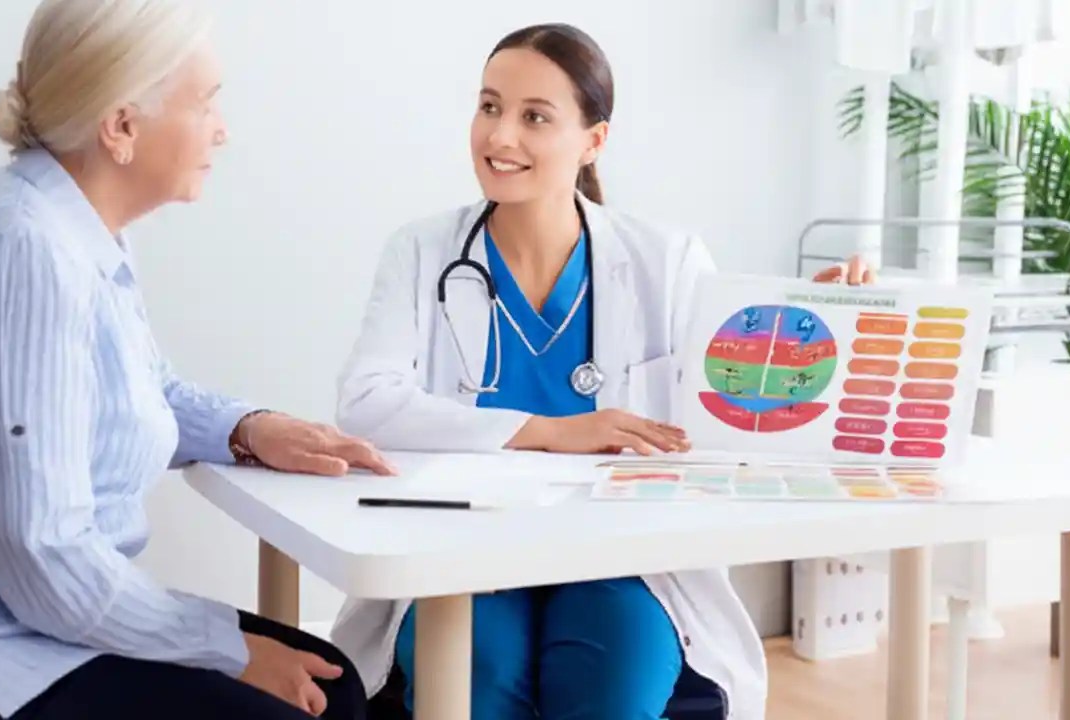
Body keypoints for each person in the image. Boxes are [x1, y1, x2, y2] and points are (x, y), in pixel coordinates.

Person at [0, 1, 396, 718]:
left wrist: (247, 429)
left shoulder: (80, 229)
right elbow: (43, 555)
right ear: (121, 127)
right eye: (204, 103)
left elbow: (128, 389)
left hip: (28, 607)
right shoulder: (21, 255)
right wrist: (228, 649)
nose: (221, 129)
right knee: (311, 703)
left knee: (336, 683)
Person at [329, 23, 874, 720]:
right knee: (478, 675)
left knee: (613, 680)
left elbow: (733, 402)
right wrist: (552, 430)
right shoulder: (421, 251)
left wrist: (821, 323)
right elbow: (367, 403)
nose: (500, 136)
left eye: (535, 117)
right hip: (462, 547)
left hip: (622, 555)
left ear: (593, 141)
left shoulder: (665, 259)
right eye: (490, 106)